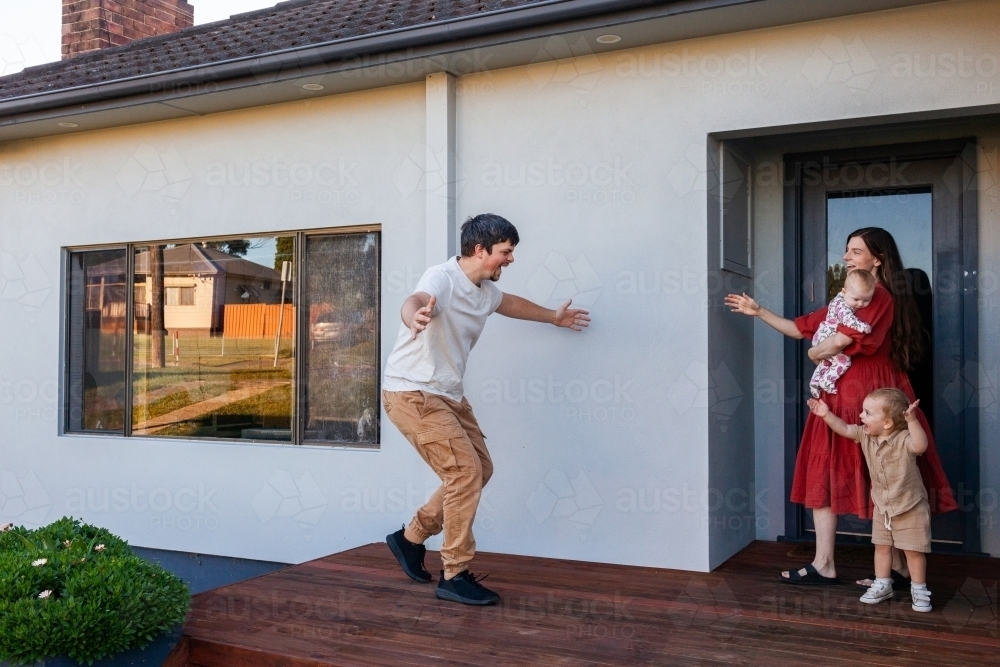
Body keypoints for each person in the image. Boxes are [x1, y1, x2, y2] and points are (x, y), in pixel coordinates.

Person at [725, 227, 956, 586]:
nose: (846, 257)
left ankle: (892, 566)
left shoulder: (877, 295)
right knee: (835, 474)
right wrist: (759, 311)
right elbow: (800, 328)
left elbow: (835, 344)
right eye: (847, 250)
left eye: (856, 251)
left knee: (882, 476)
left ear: (877, 259)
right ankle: (829, 563)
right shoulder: (846, 298)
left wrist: (815, 353)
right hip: (841, 396)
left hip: (868, 397)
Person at [382, 213, 590, 606]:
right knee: (464, 473)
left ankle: (410, 538)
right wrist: (414, 317)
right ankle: (454, 573)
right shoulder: (442, 277)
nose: (510, 259)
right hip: (412, 393)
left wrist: (552, 317)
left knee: (480, 469)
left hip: (447, 395)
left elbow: (508, 303)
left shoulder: (485, 290)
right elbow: (415, 300)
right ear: (480, 250)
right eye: (505, 252)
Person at [808, 389, 934, 612]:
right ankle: (882, 584)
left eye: (867, 413)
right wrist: (826, 414)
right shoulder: (866, 436)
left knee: (913, 551)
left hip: (909, 506)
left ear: (887, 423)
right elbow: (845, 429)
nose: (861, 416)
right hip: (883, 506)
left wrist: (912, 421)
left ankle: (919, 589)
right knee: (881, 548)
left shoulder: (904, 439)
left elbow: (920, 446)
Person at [808, 270, 876, 398]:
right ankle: (826, 381)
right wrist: (862, 326)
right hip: (827, 337)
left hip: (822, 336)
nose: (860, 304)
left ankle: (815, 382)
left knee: (826, 362)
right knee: (843, 362)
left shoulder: (846, 300)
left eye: (866, 300)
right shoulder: (841, 304)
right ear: (844, 292)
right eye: (856, 299)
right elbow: (847, 319)